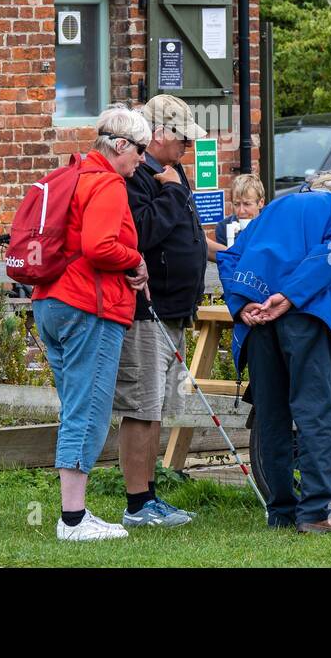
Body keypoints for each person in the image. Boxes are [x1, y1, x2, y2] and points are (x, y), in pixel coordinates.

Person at [218, 172, 331, 534]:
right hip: (305, 317)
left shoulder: (273, 209)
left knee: (272, 416)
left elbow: (230, 257)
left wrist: (241, 305)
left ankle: (281, 511)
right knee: (314, 411)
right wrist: (290, 296)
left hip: (258, 322)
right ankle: (318, 511)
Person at [31, 104, 151, 542]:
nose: (143, 158)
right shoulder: (108, 183)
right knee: (89, 411)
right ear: (120, 145)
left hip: (50, 302)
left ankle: (75, 513)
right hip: (88, 307)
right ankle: (73, 520)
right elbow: (101, 247)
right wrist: (136, 258)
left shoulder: (74, 174)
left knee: (75, 409)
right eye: (139, 149)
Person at [116, 94, 208, 528]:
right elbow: (141, 232)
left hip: (174, 308)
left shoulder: (172, 173)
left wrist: (223, 253)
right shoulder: (137, 176)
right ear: (158, 135)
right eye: (183, 138)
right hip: (146, 311)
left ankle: (150, 496)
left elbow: (187, 230)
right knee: (142, 405)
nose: (188, 146)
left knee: (158, 405)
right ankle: (137, 503)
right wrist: (171, 193)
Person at [207, 173, 266, 261]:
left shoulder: (271, 223)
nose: (241, 211)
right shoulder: (223, 227)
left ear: (261, 203)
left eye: (247, 204)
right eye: (236, 204)